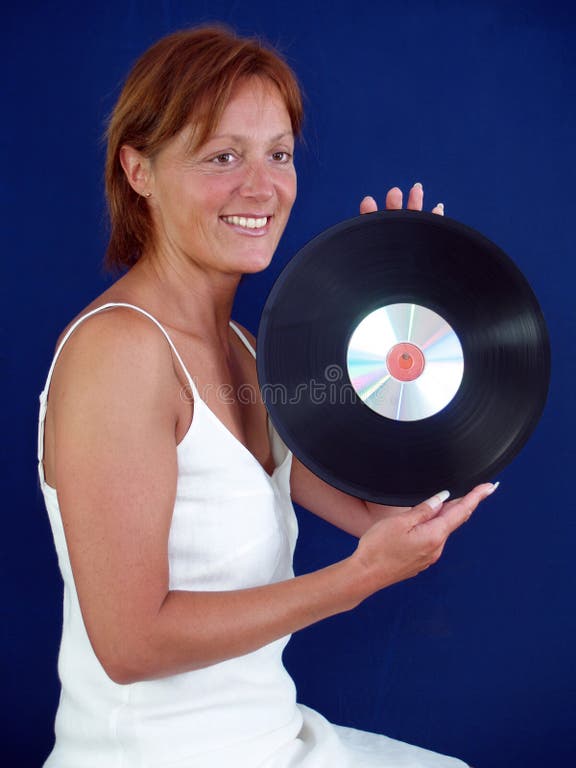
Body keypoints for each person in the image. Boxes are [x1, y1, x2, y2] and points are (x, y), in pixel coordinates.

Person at [37, 25, 497, 768]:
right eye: (223, 156)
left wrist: (397, 309)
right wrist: (352, 583)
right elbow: (129, 643)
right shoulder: (119, 353)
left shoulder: (246, 352)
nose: (263, 187)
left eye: (278, 154)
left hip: (271, 740)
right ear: (139, 170)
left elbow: (383, 513)